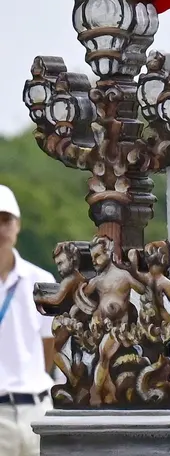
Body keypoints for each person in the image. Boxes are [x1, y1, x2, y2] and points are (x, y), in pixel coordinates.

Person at [0, 185, 53, 456]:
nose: (1, 229)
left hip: (38, 410)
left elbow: (50, 345)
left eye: (5, 220)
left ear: (17, 225)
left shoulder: (40, 281)